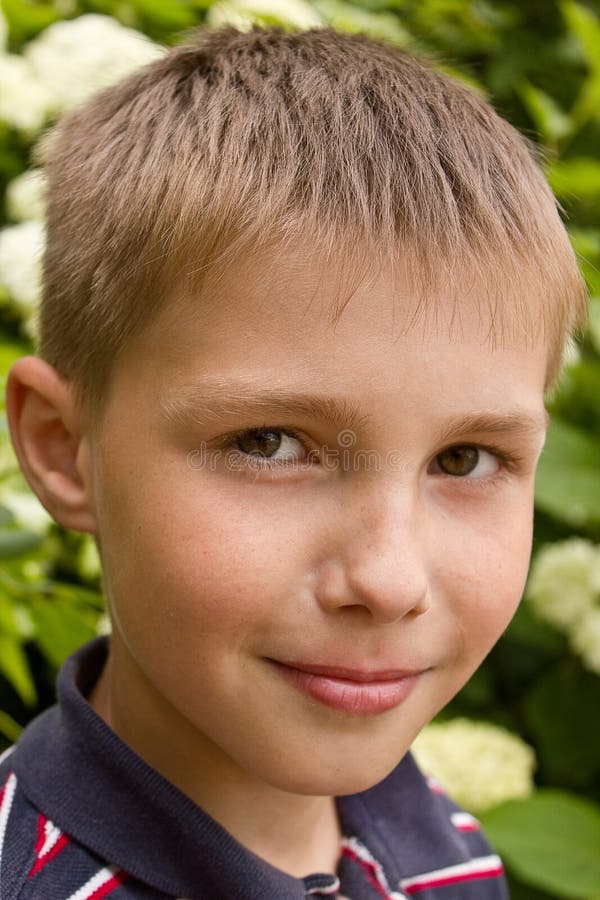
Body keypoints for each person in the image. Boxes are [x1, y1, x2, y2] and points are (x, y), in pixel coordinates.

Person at [0, 24, 587, 900]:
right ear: (63, 449)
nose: (388, 580)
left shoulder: (442, 844)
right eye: (268, 444)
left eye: (465, 458)